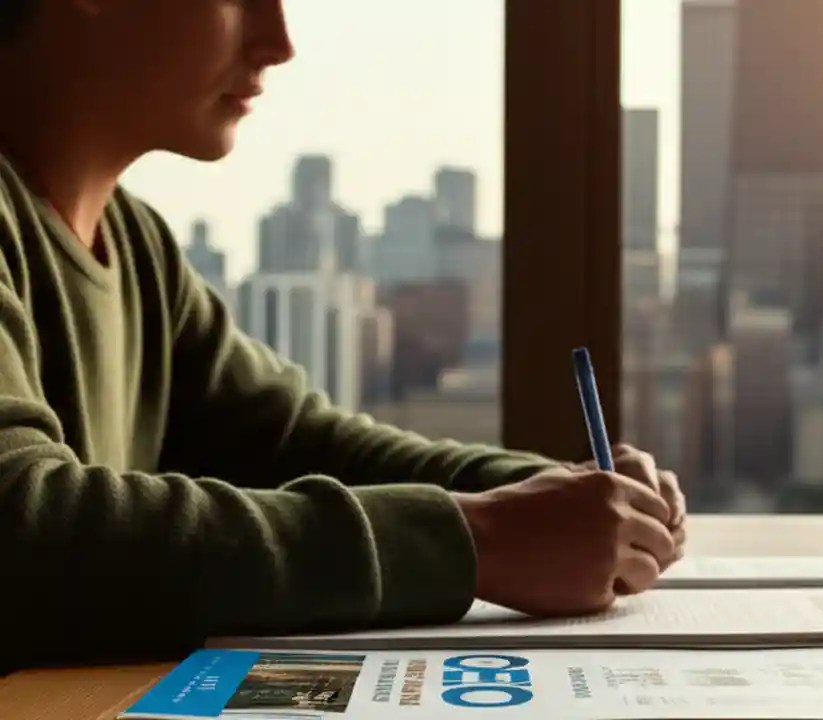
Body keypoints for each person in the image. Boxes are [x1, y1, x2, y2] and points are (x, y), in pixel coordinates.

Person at [0, 0, 686, 668]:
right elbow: (22, 532)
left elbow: (298, 442)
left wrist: (551, 495)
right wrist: (479, 539)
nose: (279, 43)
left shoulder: (136, 245)